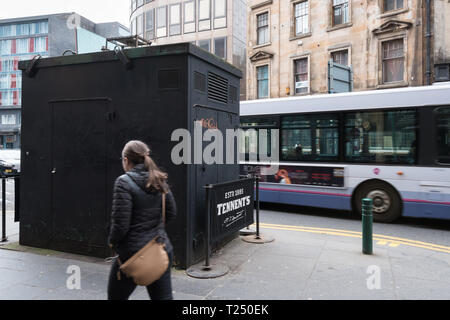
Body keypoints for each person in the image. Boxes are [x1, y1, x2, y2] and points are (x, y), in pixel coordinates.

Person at [107, 140, 177, 300]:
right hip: (160, 249)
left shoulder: (123, 182)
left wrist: (112, 242)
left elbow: (120, 226)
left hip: (132, 255)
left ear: (126, 160)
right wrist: (155, 228)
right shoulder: (159, 179)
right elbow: (172, 213)